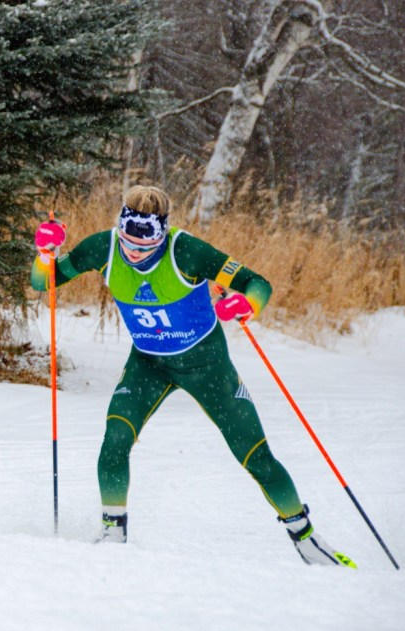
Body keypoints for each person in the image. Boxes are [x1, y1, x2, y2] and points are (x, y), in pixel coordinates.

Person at [30, 185, 354, 567]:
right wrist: (44, 255)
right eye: (129, 241)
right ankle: (113, 532)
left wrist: (246, 304)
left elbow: (258, 283)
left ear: (162, 234)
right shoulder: (103, 247)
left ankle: (305, 538)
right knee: (115, 437)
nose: (133, 251)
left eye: (145, 244)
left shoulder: (186, 250)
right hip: (149, 363)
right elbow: (44, 283)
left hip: (208, 368)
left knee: (256, 457)